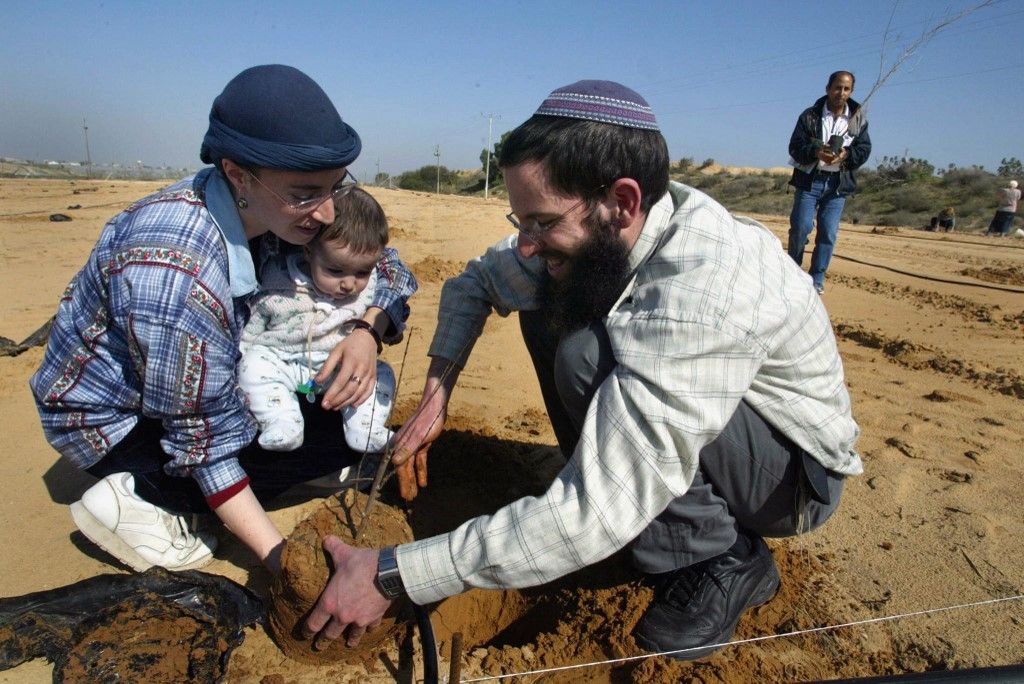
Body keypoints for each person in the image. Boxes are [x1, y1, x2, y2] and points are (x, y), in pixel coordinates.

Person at [303, 80, 862, 661]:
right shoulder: (613, 229)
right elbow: (475, 283)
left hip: (788, 481)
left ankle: (718, 556)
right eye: (520, 220)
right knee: (552, 304)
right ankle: (639, 508)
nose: (524, 244)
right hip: (717, 434)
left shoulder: (705, 288)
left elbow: (600, 509)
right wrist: (435, 397)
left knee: (583, 356)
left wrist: (393, 575)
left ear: (621, 202)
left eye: (540, 222)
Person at [30, 65, 416, 576]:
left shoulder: (278, 205)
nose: (325, 213)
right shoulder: (177, 278)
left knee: (340, 425)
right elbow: (203, 440)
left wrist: (368, 330)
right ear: (237, 173)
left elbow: (387, 266)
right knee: (294, 443)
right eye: (307, 194)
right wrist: (278, 560)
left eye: (336, 188)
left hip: (200, 381)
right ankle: (140, 503)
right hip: (117, 422)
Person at [238, 186, 397, 458]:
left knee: (381, 375)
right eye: (335, 271)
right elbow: (255, 322)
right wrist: (243, 351)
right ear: (309, 253)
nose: (349, 284)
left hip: (339, 369)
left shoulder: (370, 290)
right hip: (284, 360)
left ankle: (365, 428)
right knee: (253, 366)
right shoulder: (279, 281)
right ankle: (282, 421)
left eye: (362, 272)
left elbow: (396, 287)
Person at [786, 71, 872, 294]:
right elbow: (795, 146)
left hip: (837, 185)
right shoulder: (810, 116)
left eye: (846, 89)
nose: (841, 93)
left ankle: (817, 279)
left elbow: (864, 150)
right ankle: (792, 272)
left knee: (828, 233)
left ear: (851, 91)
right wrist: (816, 152)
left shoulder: (857, 118)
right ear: (827, 88)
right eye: (837, 88)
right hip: (810, 182)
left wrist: (846, 156)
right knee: (800, 228)